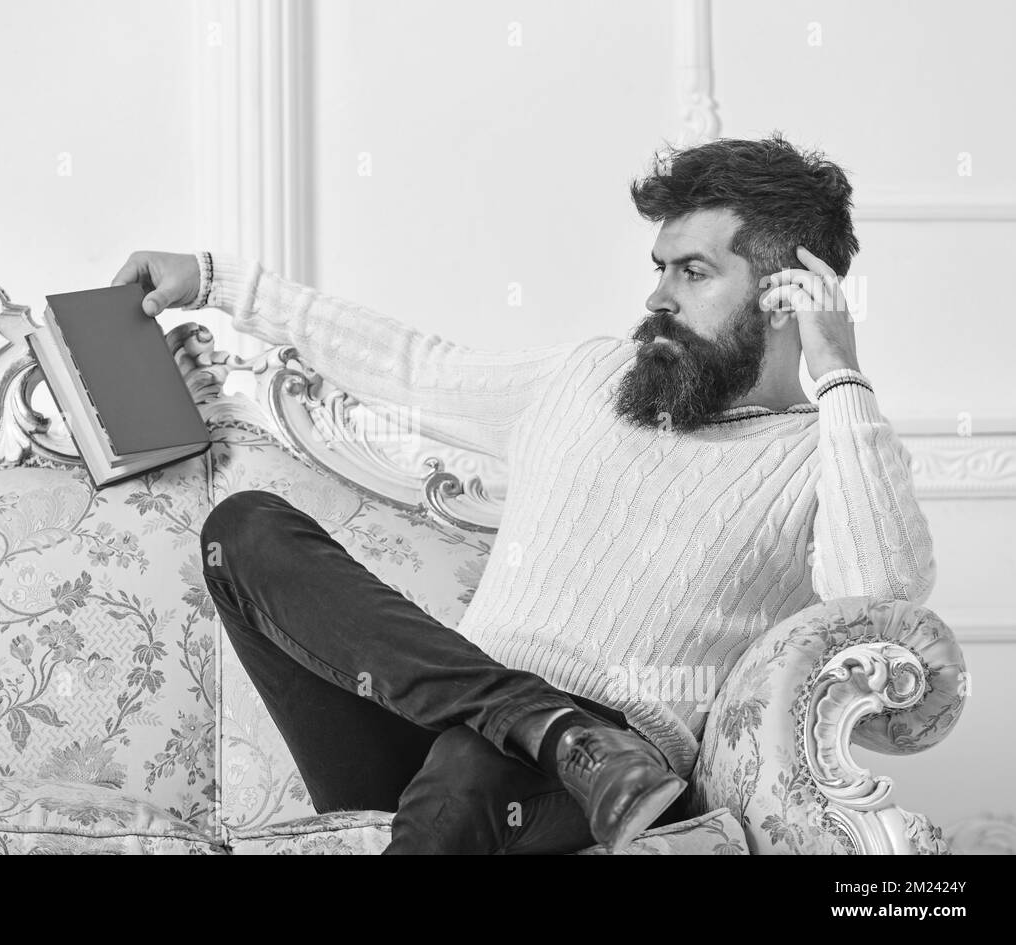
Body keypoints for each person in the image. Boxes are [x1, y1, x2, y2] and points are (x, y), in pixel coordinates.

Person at [112, 132, 935, 854]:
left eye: (693, 272)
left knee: (475, 764)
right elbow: (412, 367)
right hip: (428, 727)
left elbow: (881, 610)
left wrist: (840, 374)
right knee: (244, 528)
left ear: (788, 295)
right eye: (659, 268)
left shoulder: (824, 451)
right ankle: (546, 725)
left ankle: (562, 735)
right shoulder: (589, 377)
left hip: (606, 776)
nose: (656, 295)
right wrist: (220, 282)